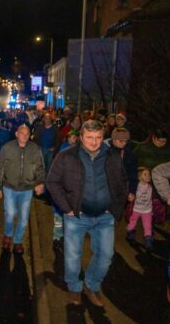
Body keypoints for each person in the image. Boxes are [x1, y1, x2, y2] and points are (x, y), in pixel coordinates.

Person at [46, 119, 128, 307]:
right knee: (73, 255)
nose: (94, 141)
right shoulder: (67, 156)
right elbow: (52, 182)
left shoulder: (112, 156)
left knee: (105, 255)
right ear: (81, 137)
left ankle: (92, 284)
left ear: (103, 138)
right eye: (89, 137)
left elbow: (122, 181)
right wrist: (66, 207)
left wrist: (116, 206)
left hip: (105, 217)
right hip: (77, 216)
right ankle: (74, 287)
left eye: (98, 137)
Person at [0, 124, 45, 254]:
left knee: (23, 218)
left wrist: (40, 182)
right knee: (10, 214)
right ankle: (8, 234)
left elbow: (40, 167)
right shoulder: (7, 148)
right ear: (16, 134)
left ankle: (17, 241)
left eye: (27, 134)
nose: (25, 136)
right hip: (9, 187)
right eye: (22, 133)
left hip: (27, 188)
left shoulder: (34, 148)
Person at [125, 167, 160, 250]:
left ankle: (148, 242)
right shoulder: (135, 187)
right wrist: (129, 196)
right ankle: (130, 235)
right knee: (132, 224)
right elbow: (129, 194)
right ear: (139, 177)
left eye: (149, 174)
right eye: (145, 174)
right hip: (136, 210)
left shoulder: (151, 187)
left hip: (147, 210)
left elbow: (155, 197)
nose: (148, 176)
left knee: (148, 226)